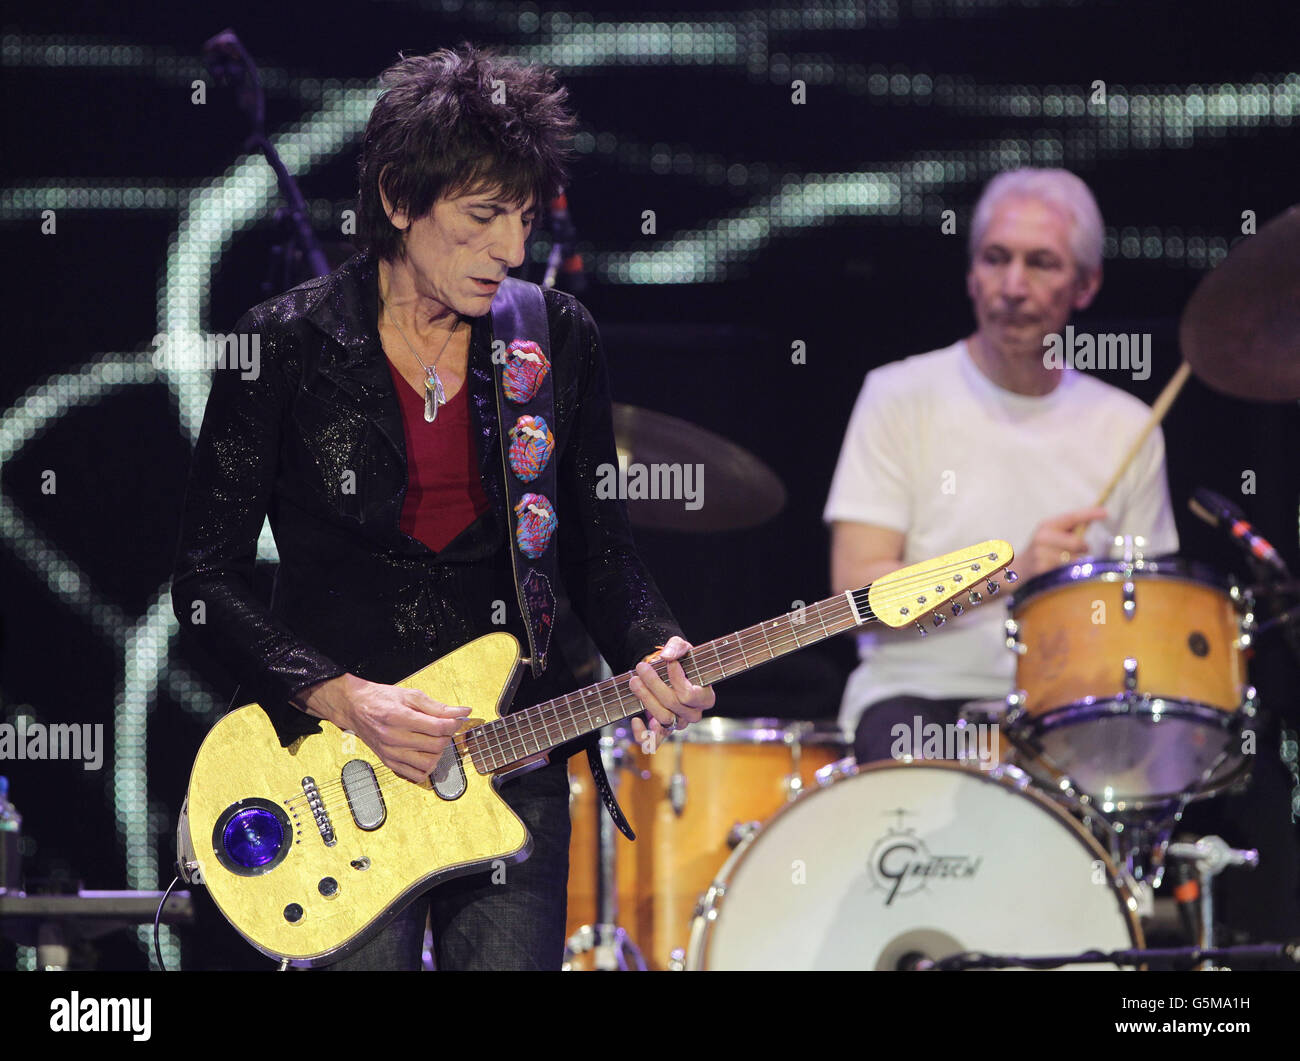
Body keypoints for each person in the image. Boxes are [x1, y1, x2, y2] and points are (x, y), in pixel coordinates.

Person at [171, 45, 714, 971]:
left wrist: (655, 644)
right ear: (396, 200)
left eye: (525, 218)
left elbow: (599, 550)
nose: (511, 249)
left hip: (512, 758)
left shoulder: (555, 337)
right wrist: (343, 697)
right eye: (482, 216)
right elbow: (204, 582)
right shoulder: (284, 344)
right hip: (337, 775)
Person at [824, 168, 1178, 765]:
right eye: (995, 258)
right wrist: (1014, 572)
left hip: (1071, 704)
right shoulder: (897, 396)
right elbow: (857, 592)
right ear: (971, 274)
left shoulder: (1129, 426)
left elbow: (1150, 614)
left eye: (1041, 263)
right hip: (920, 696)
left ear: (1086, 284)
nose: (1013, 285)